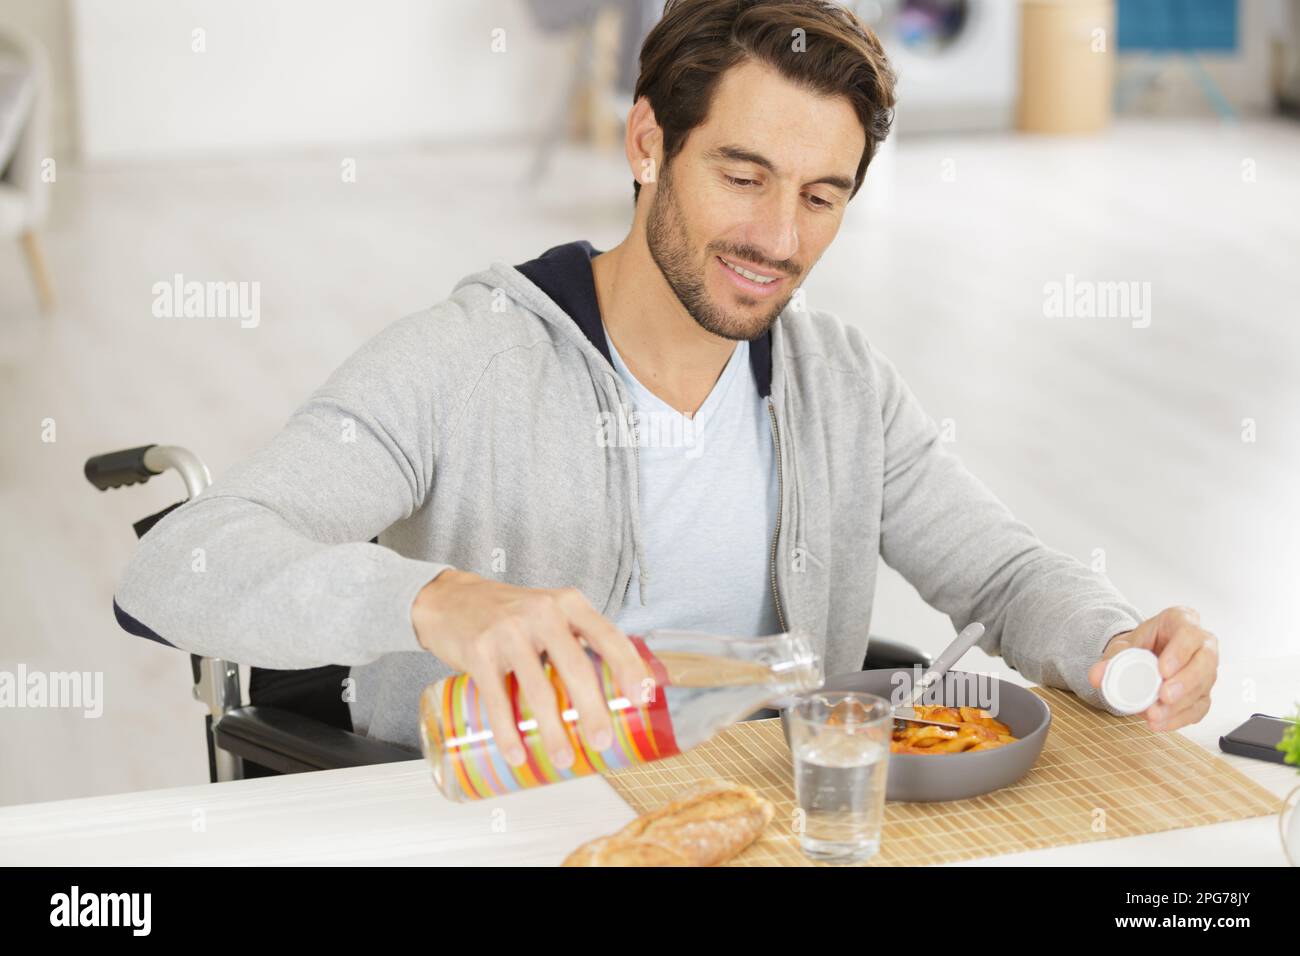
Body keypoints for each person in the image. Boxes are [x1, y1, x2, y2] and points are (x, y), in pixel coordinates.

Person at [116, 0, 1218, 770]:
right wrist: (432, 599)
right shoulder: (463, 359)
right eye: (742, 176)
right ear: (647, 140)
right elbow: (179, 563)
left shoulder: (841, 385)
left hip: (768, 823)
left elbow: (1006, 575)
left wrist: (1113, 642)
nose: (778, 239)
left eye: (821, 196)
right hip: (511, 822)